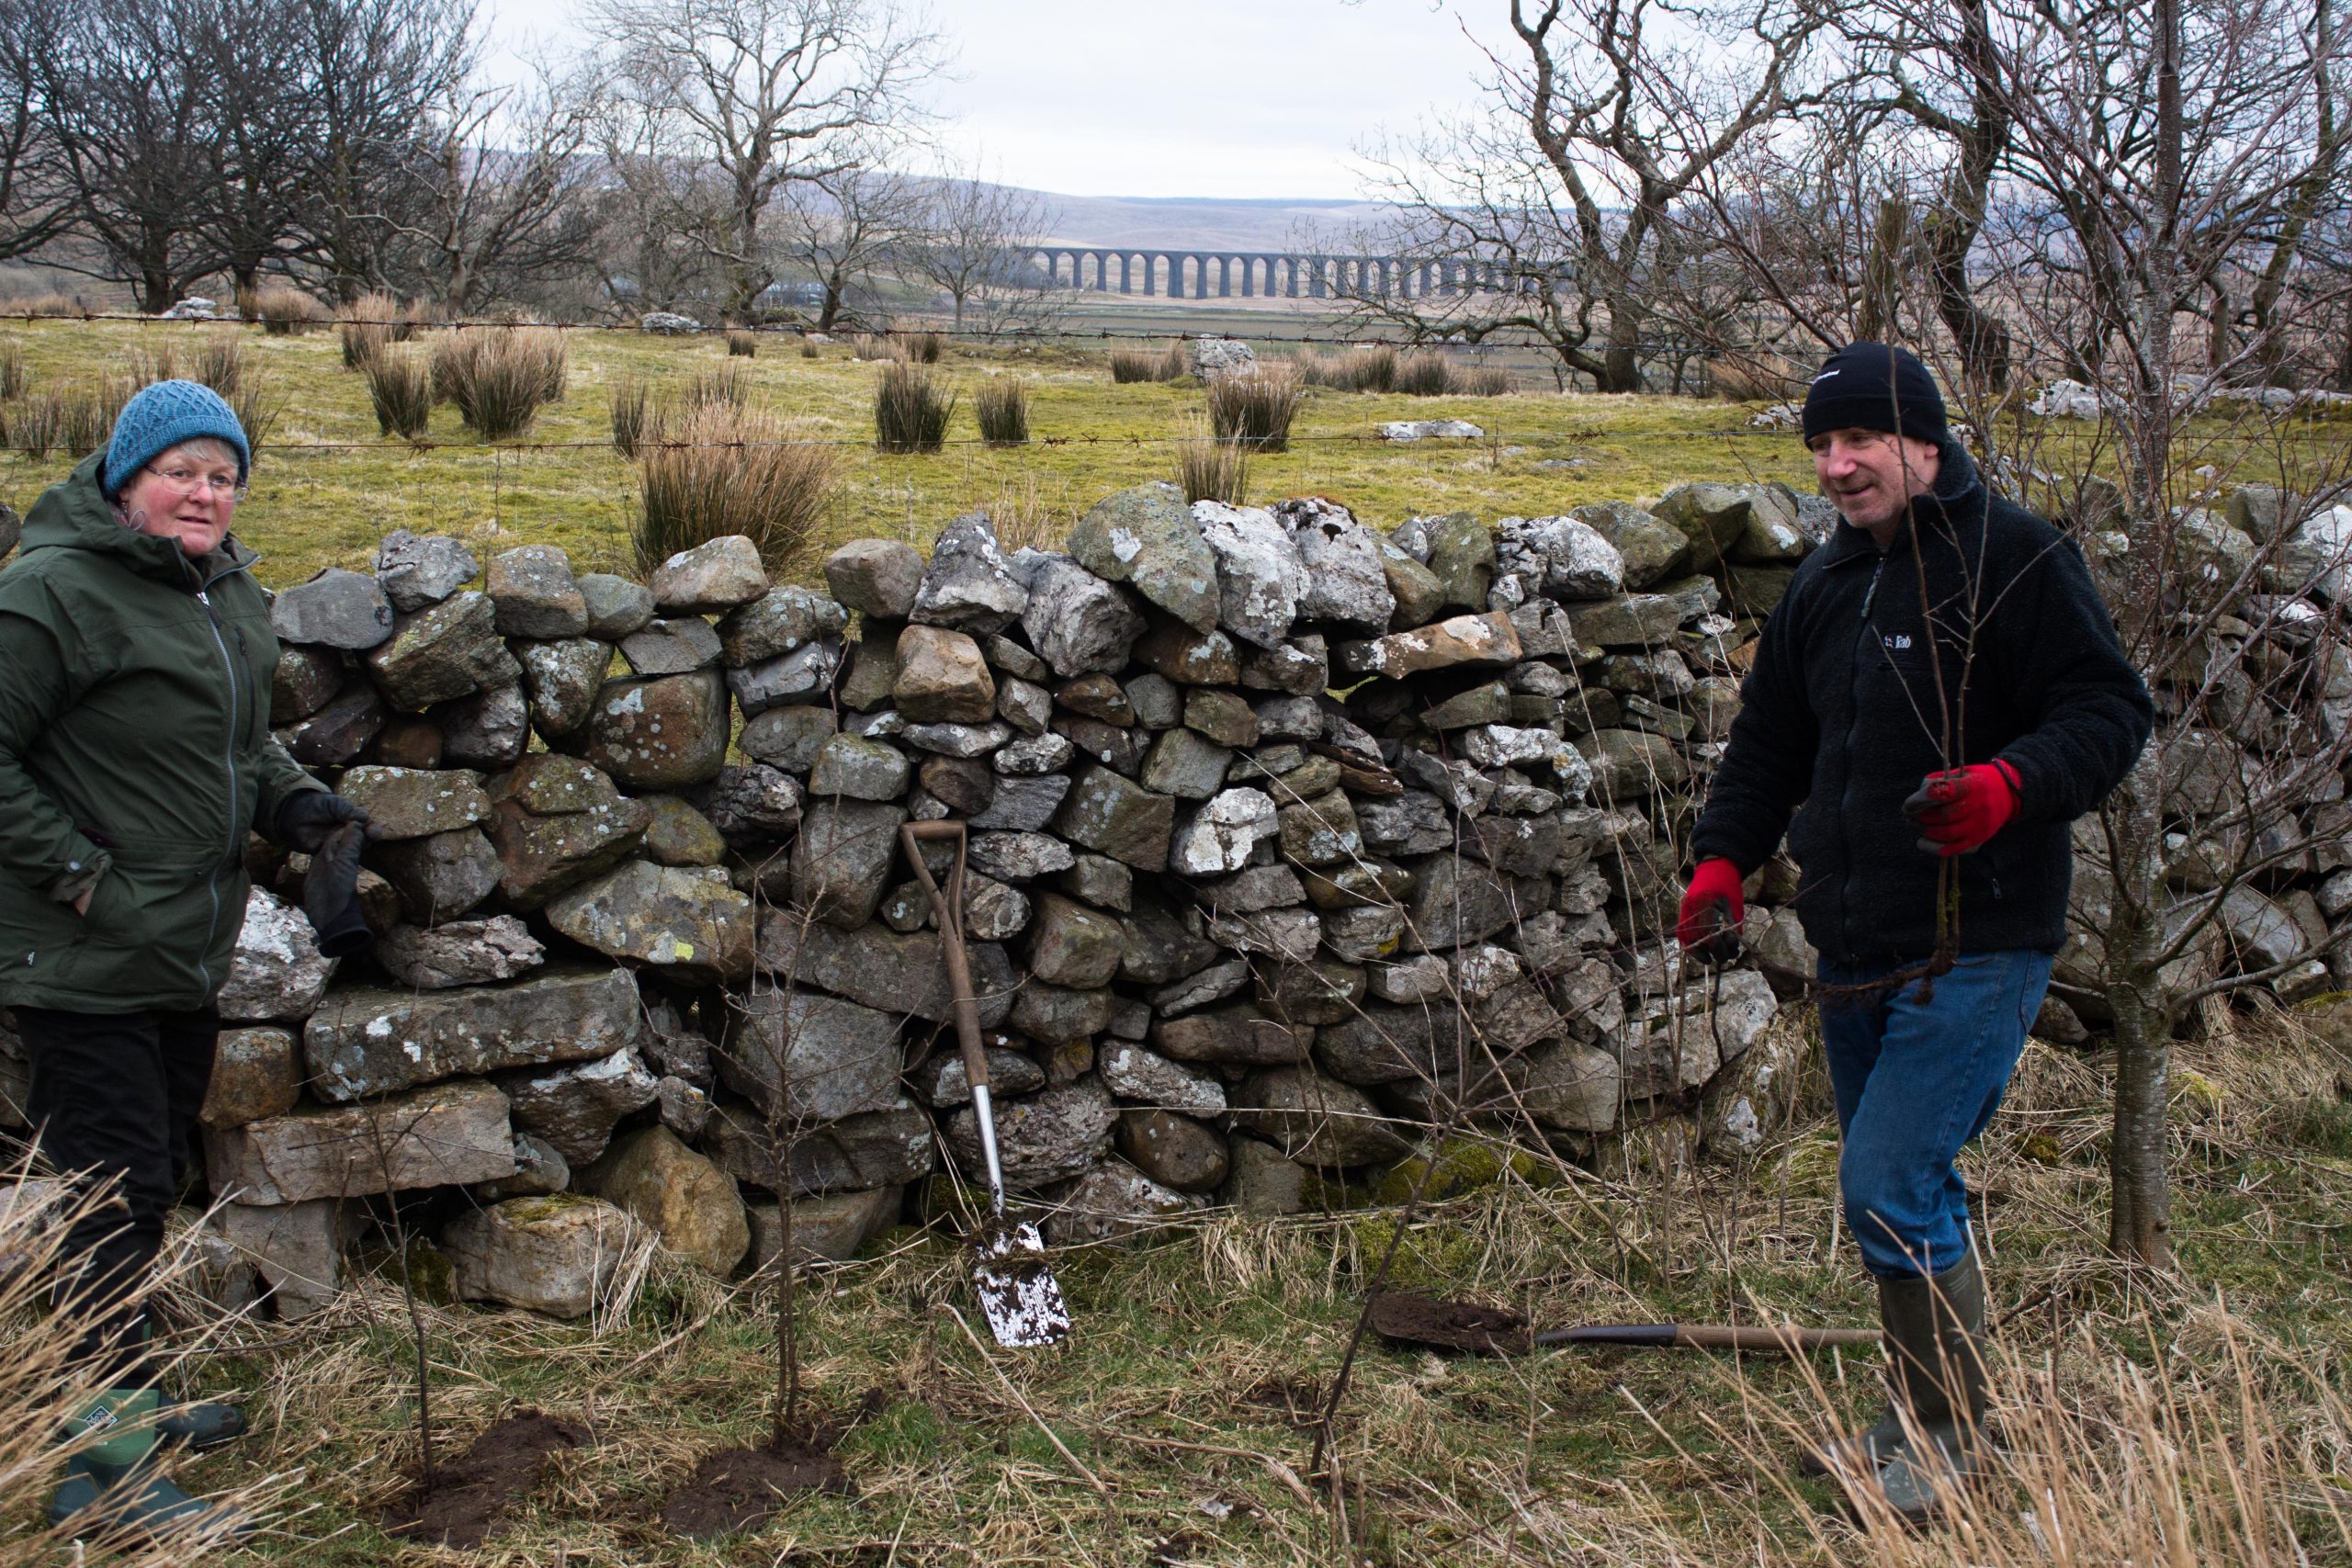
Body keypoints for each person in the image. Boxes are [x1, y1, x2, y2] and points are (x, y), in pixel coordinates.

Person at [1679, 343, 2153, 1520]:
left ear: (1925, 446)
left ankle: (1944, 1446)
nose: (1837, 468)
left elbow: (2107, 709)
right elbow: (1768, 745)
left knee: (1889, 1181)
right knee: (1894, 1188)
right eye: (1822, 448)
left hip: (1983, 931)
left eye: (1861, 444)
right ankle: (1919, 1415)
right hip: (1857, 940)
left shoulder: (2017, 559)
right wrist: (1721, 861)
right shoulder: (1828, 588)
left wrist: (2008, 784)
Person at [0, 379, 371, 1539]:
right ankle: (87, 1462)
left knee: (148, 1172)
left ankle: (129, 1394)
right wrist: (80, 873)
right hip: (80, 951)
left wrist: (297, 803)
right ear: (127, 478)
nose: (204, 492)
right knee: (106, 1198)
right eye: (182, 471)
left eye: (223, 474)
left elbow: (232, 742)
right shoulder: (51, 593)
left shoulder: (220, 593)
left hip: (178, 947)